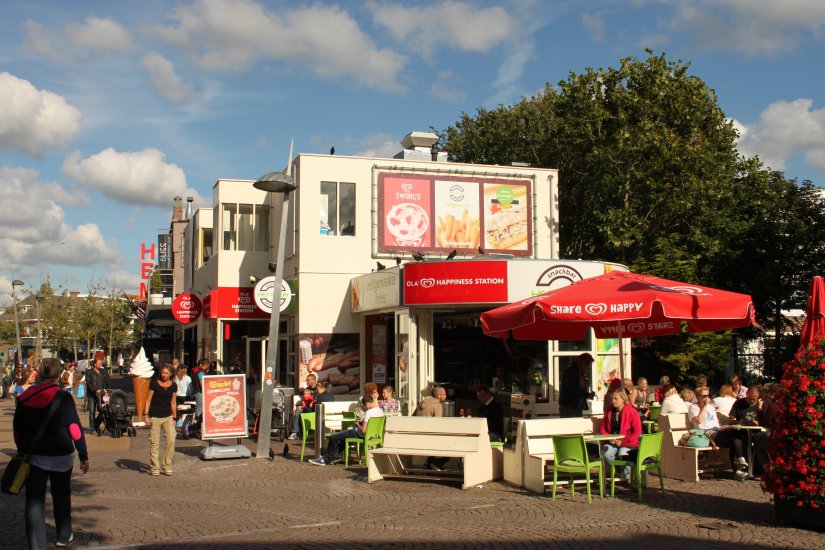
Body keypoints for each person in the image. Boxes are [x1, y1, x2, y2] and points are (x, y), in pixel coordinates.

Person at [14, 359, 89, 549]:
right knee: (61, 494)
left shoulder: (25, 396)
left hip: (34, 455)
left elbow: (17, 428)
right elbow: (74, 428)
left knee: (34, 500)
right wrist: (83, 453)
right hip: (60, 454)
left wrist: (22, 449)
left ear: (39, 373)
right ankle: (63, 534)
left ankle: (36, 544)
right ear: (57, 374)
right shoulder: (63, 397)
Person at [309, 394, 384, 466]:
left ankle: (324, 459)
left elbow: (363, 430)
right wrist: (363, 421)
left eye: (364, 406)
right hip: (372, 435)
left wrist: (358, 424)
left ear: (367, 403)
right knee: (343, 442)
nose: (365, 408)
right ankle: (327, 458)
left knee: (333, 437)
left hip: (358, 433)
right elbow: (371, 425)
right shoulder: (380, 411)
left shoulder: (369, 412)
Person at [716, 385, 763, 480]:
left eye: (754, 399)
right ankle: (739, 465)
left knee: (739, 439)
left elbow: (765, 420)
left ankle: (743, 466)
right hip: (741, 431)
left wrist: (758, 421)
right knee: (736, 437)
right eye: (749, 398)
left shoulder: (760, 405)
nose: (751, 401)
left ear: (758, 396)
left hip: (755, 432)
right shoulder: (739, 403)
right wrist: (738, 422)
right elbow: (730, 420)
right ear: (746, 394)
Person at [600, 389, 643, 482]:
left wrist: (623, 442)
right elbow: (603, 429)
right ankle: (618, 471)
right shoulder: (609, 412)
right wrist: (609, 438)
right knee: (606, 453)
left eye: (616, 398)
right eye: (612, 399)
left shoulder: (632, 411)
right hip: (612, 442)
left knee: (623, 452)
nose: (613, 401)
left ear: (623, 399)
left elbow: (637, 431)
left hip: (628, 442)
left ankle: (627, 478)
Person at [144, 364, 177, 476]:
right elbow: (148, 400)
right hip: (155, 416)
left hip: (168, 416)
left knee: (171, 440)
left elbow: (173, 402)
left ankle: (167, 464)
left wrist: (174, 417)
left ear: (171, 374)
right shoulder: (154, 384)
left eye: (166, 373)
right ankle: (155, 467)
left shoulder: (173, 386)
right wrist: (146, 415)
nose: (164, 375)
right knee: (154, 443)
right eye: (163, 372)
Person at [414, 385, 448, 470]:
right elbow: (437, 426)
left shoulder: (422, 403)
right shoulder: (437, 406)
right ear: (438, 396)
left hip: (416, 437)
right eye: (444, 394)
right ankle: (437, 463)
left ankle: (428, 463)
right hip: (428, 438)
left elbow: (412, 417)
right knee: (452, 444)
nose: (446, 396)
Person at [559, 353, 595, 418]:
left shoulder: (579, 372)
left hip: (576, 405)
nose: (587, 367)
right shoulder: (571, 371)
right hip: (569, 405)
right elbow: (573, 388)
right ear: (582, 362)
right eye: (587, 364)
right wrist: (587, 395)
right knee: (571, 423)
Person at [288, 373, 319, 439]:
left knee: (300, 412)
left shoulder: (318, 388)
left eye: (308, 380)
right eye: (307, 380)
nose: (307, 382)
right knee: (298, 411)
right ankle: (295, 432)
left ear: (314, 380)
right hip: (306, 407)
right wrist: (300, 406)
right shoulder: (307, 389)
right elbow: (304, 400)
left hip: (315, 408)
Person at [84, 358, 109, 435]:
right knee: (92, 412)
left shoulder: (103, 372)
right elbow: (88, 383)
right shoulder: (89, 372)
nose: (100, 364)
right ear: (94, 364)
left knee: (103, 411)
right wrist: (95, 390)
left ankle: (96, 424)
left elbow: (106, 382)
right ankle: (92, 429)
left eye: (101, 363)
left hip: (101, 395)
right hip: (92, 395)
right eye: (99, 363)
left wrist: (106, 391)